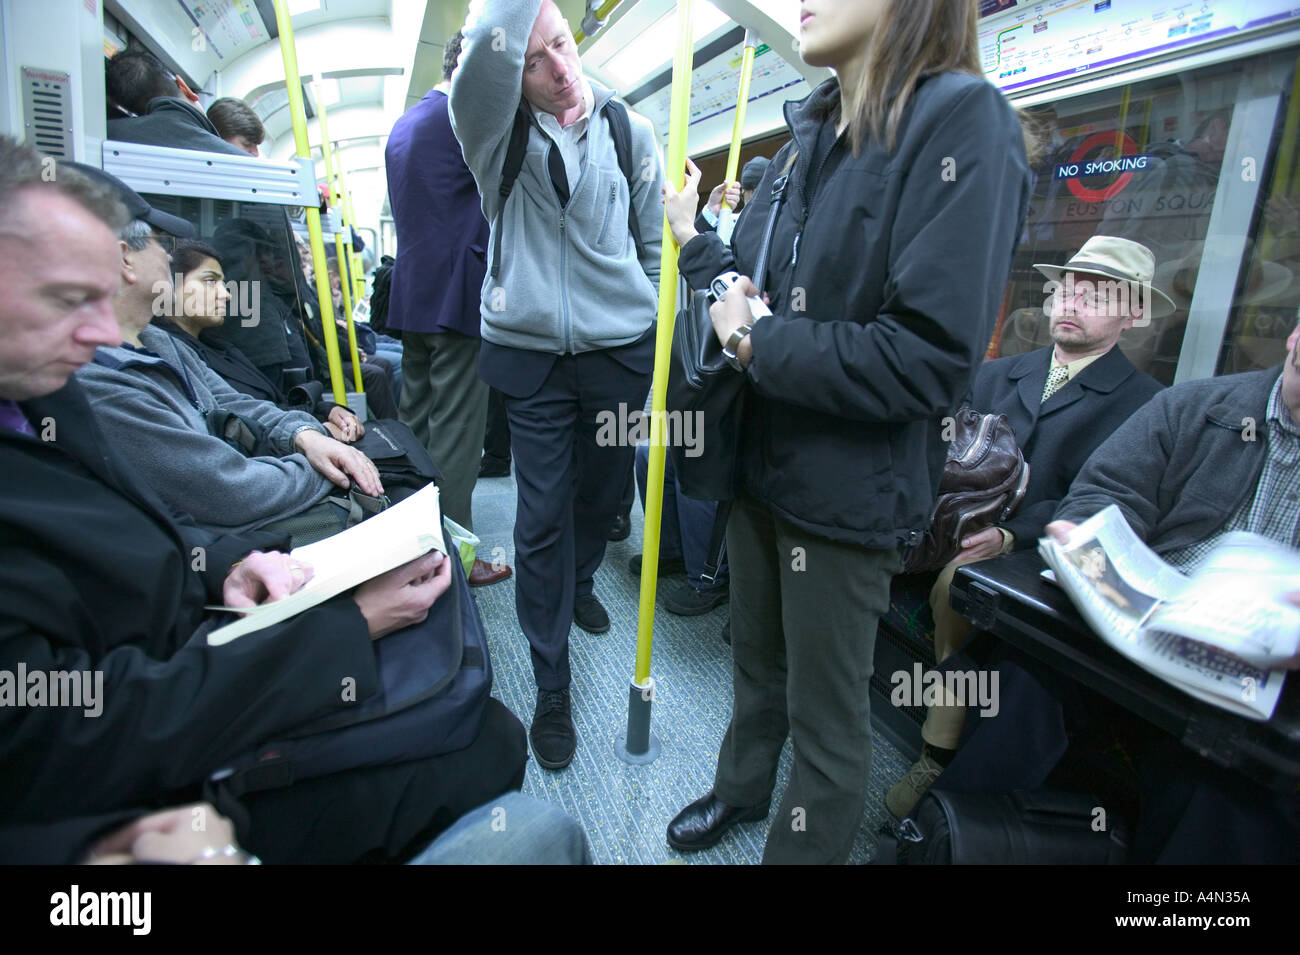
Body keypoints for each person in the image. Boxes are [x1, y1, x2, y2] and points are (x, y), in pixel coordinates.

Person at [0, 137, 527, 865]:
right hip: (164, 756)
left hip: (201, 630)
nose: (96, 332)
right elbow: (66, 727)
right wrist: (339, 631)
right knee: (492, 748)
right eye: (65, 300)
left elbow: (198, 459)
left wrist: (218, 564)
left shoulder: (57, 389)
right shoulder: (89, 387)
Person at [660, 0, 1031, 863]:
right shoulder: (798, 148)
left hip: (846, 491)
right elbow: (745, 294)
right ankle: (741, 788)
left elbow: (927, 358)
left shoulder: (962, 122)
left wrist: (758, 342)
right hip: (762, 463)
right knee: (755, 666)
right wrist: (692, 239)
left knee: (825, 716)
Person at [929, 326, 1300, 862]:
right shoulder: (1193, 407)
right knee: (1024, 675)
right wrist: (1091, 543)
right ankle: (957, 840)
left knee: (1231, 791)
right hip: (1140, 631)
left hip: (1264, 688)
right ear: (1291, 338)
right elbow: (1105, 491)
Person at [450, 0, 666, 770]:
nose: (561, 70)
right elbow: (479, 68)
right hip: (533, 356)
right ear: (510, 68)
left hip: (616, 352)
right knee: (540, 510)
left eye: (565, 44)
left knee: (602, 498)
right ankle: (552, 685)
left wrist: (636, 316)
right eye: (534, 58)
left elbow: (650, 243)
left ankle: (579, 583)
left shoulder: (627, 130)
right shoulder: (491, 132)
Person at [885, 234, 1169, 818]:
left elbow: (1099, 501)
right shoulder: (999, 373)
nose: (1072, 300)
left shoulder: (1145, 404)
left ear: (1133, 313)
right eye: (1068, 286)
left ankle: (936, 753)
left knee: (961, 584)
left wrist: (1014, 535)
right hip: (947, 525)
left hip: (1038, 548)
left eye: (1097, 294)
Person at [73, 180, 383, 543]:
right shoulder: (102, 380)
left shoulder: (160, 343)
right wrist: (327, 463)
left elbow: (237, 404)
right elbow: (223, 490)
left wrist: (306, 435)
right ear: (126, 259)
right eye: (159, 242)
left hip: (254, 494)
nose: (169, 256)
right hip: (218, 539)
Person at [385, 30, 511, 588]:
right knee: (459, 436)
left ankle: (405, 548)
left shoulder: (406, 123)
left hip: (414, 293)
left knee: (416, 428)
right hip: (460, 295)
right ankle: (452, 563)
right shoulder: (465, 117)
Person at [105, 49, 298, 383]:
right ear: (185, 87)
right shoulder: (249, 172)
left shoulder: (104, 146)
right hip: (252, 334)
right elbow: (286, 276)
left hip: (159, 330)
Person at [156, 239, 366, 442]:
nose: (226, 294)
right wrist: (314, 430)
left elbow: (270, 404)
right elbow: (241, 424)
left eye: (223, 283)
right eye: (210, 281)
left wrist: (327, 411)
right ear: (169, 284)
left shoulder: (219, 346)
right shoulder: (175, 357)